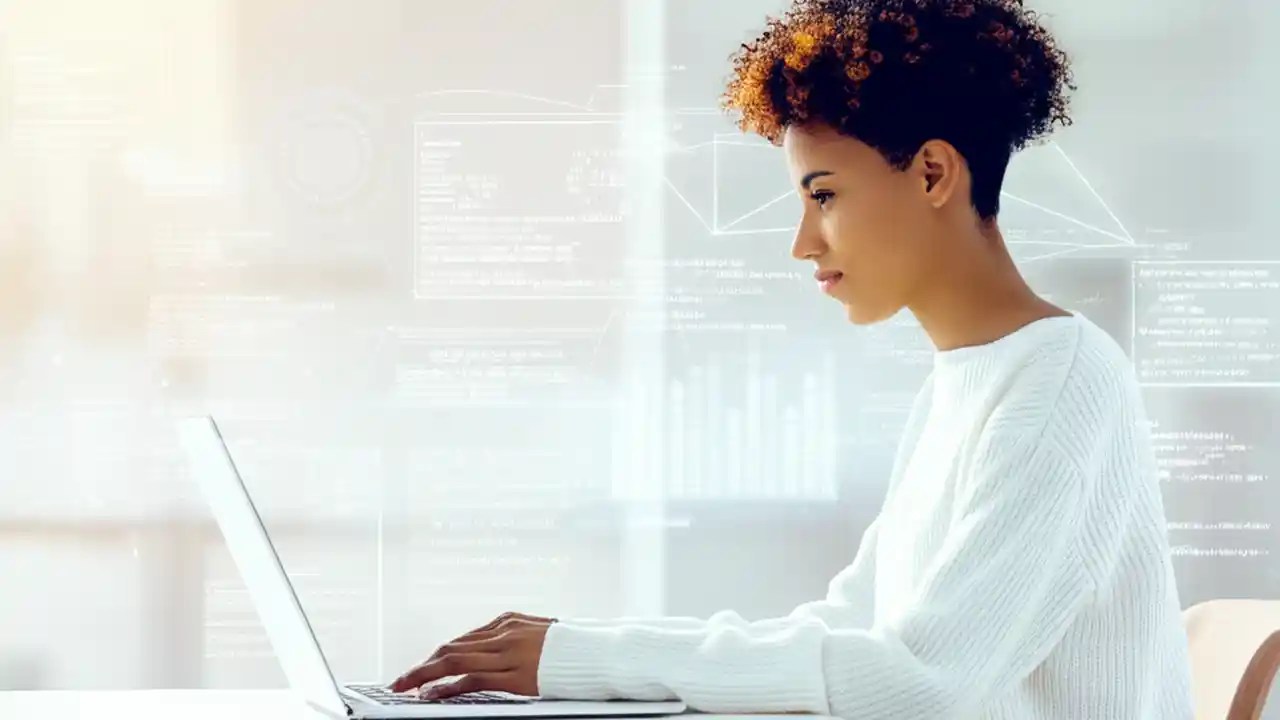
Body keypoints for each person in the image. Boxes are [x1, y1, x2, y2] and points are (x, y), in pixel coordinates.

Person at [390, 0, 1197, 717]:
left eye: (823, 195)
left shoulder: (1063, 382)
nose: (803, 241)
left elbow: (923, 681)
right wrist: (579, 653)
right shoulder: (967, 382)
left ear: (932, 173)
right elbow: (852, 627)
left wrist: (590, 661)